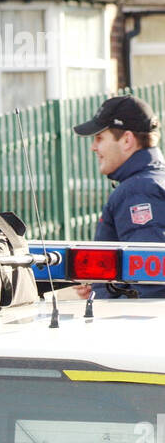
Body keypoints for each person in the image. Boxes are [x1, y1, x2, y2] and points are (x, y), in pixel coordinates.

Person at [73, 94, 165, 299]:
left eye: (99, 138)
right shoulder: (154, 180)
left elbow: (152, 284)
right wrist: (100, 284)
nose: (93, 147)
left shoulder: (138, 191)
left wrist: (107, 302)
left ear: (127, 140)